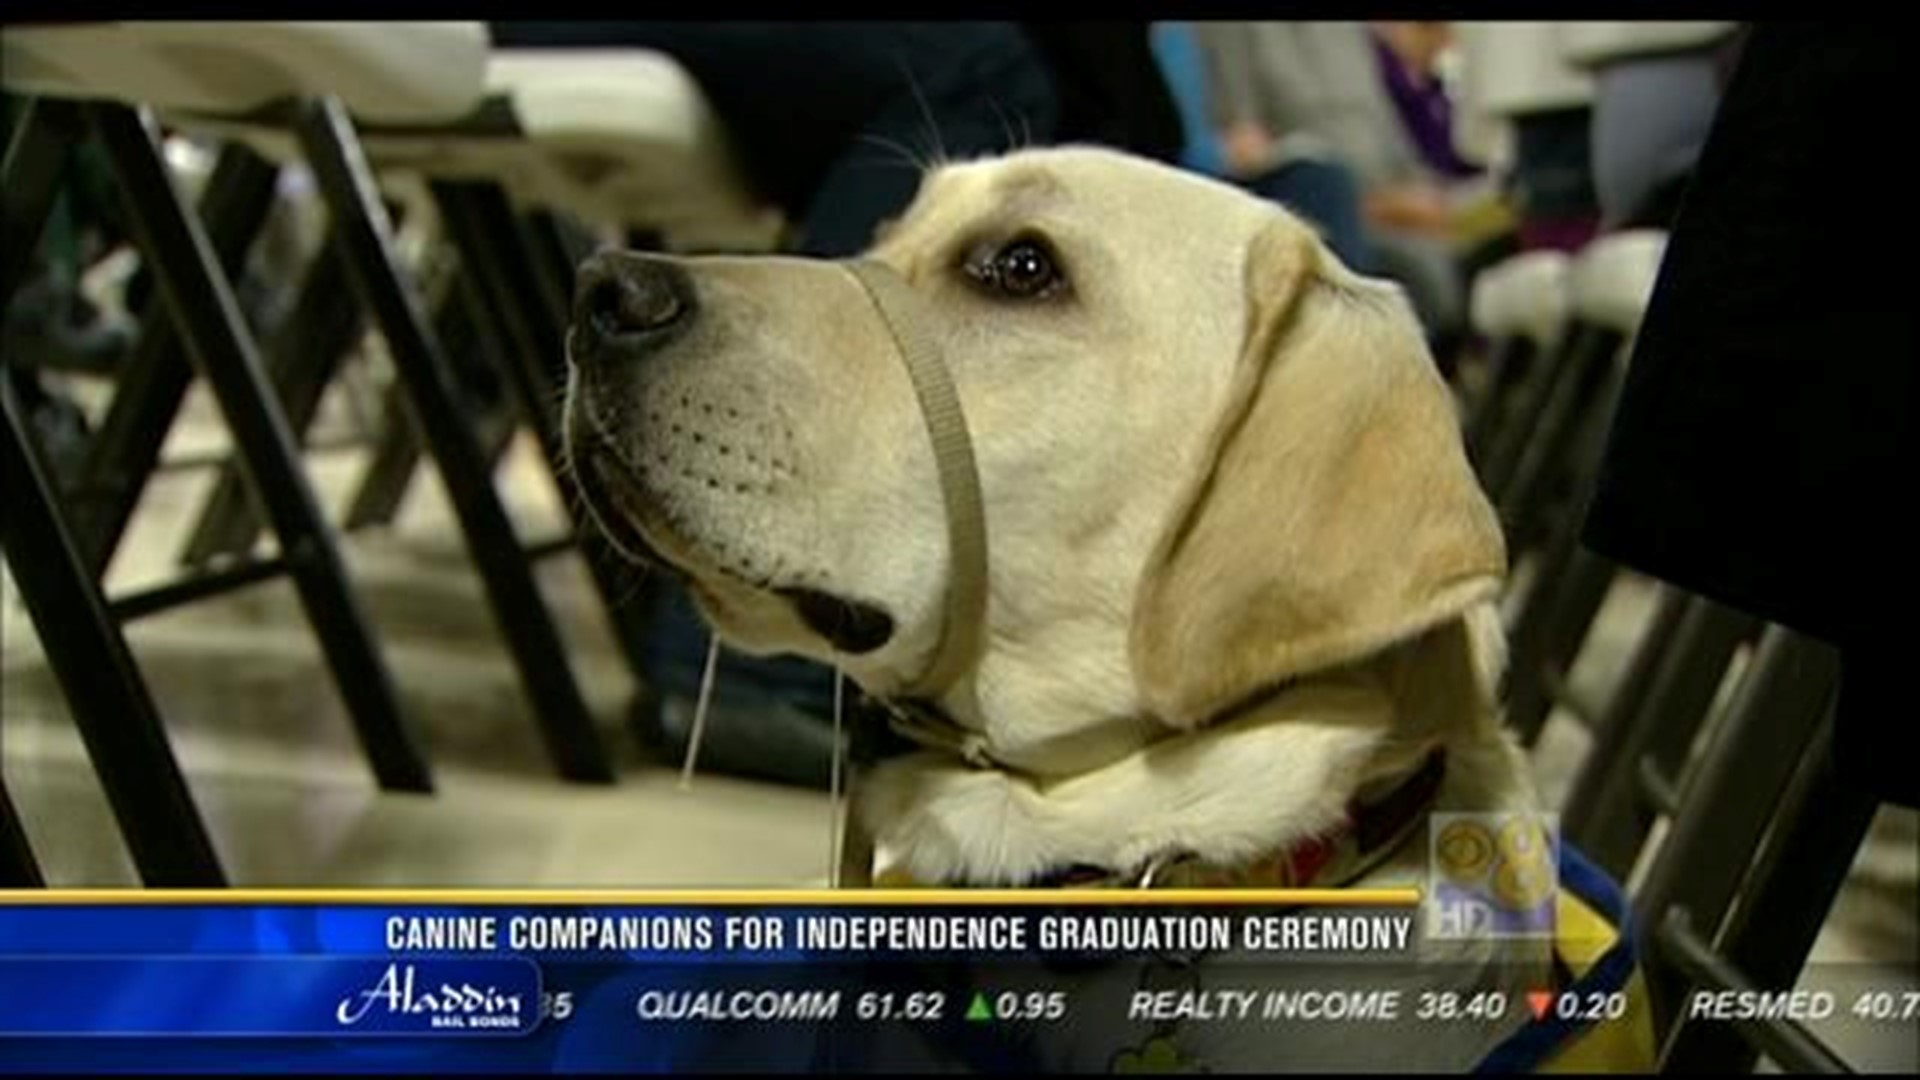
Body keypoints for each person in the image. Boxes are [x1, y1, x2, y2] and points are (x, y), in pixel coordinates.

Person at [1193, 21, 1475, 353]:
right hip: (1323, 210)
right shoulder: (1233, 31)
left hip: (1406, 207)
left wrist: (1426, 196)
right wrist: (1374, 205)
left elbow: (1391, 135)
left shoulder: (1348, 32)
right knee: (1423, 276)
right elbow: (1245, 144)